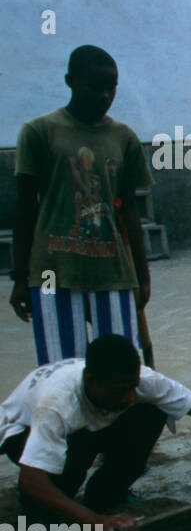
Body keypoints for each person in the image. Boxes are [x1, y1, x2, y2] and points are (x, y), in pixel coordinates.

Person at [0, 334, 191, 531]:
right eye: (120, 390)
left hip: (92, 423)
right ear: (91, 380)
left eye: (132, 387)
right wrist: (95, 522)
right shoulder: (57, 405)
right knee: (61, 484)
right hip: (21, 432)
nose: (128, 397)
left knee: (151, 410)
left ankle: (106, 493)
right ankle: (45, 512)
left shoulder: (140, 382)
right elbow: (31, 480)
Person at [10, 46, 151, 364]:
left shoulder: (124, 138)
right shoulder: (39, 132)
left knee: (117, 371)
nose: (104, 96)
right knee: (62, 372)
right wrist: (20, 277)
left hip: (112, 272)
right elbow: (25, 208)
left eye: (110, 87)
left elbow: (128, 210)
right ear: (70, 81)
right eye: (94, 87)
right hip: (51, 272)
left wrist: (142, 276)